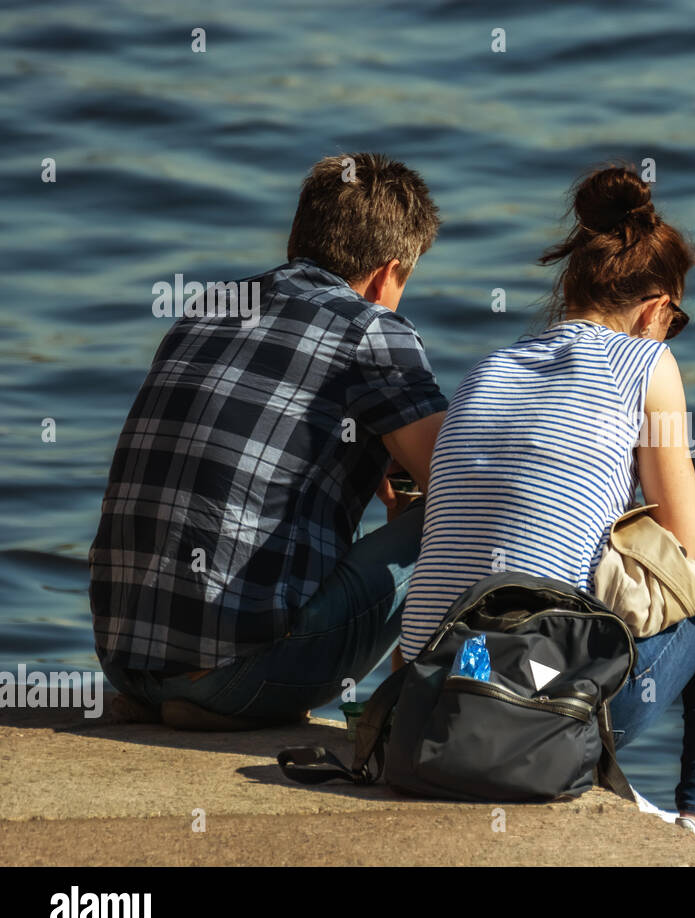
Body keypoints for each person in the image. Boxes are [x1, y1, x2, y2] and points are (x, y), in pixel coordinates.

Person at [399, 163, 695, 865]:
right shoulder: (649, 367)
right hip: (542, 703)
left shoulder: (489, 369)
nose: (671, 333)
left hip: (426, 698)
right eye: (674, 319)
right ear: (655, 309)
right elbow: (686, 539)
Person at [90, 153, 447, 730]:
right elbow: (460, 486)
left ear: (296, 239)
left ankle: (181, 686)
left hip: (123, 663)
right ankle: (439, 720)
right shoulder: (373, 329)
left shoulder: (207, 308)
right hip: (241, 676)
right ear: (387, 274)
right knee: (470, 510)